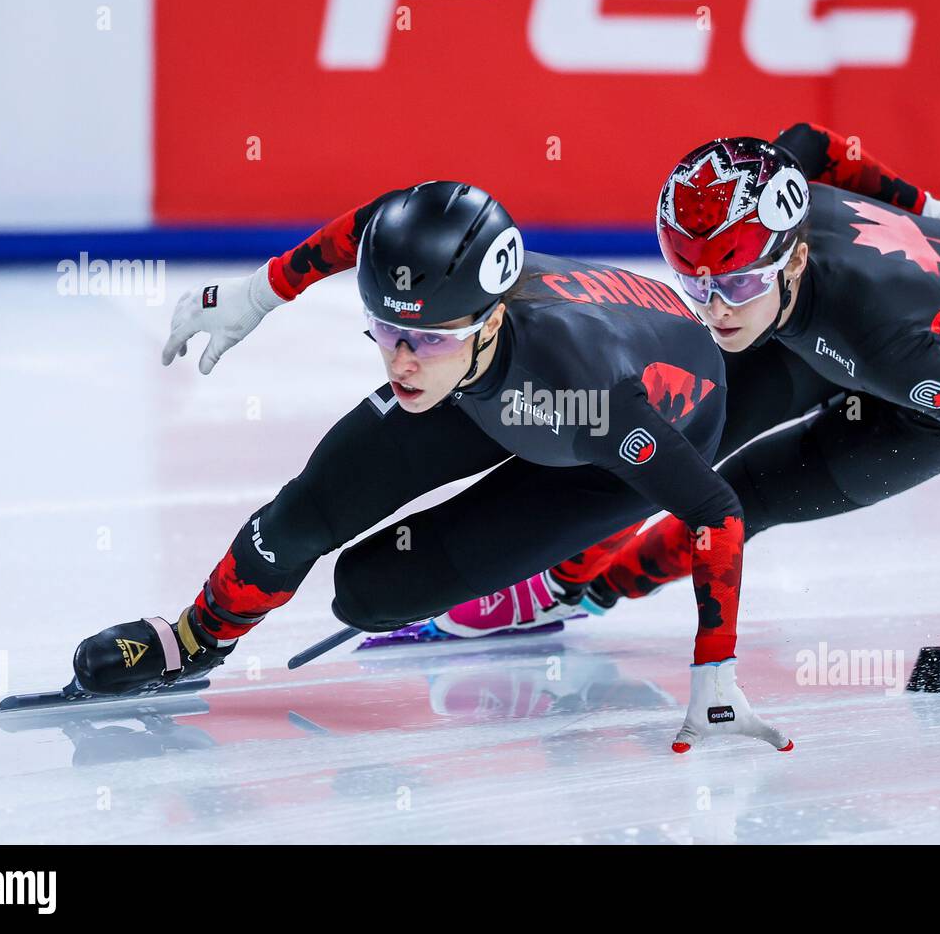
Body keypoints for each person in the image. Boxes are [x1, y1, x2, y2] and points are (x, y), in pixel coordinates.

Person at [384, 124, 940, 698]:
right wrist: (934, 207)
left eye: (735, 286)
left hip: (932, 385)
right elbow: (815, 143)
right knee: (682, 422)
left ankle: (586, 594)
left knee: (742, 500)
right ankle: (553, 574)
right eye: (696, 283)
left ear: (796, 256)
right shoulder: (759, 218)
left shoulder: (886, 344)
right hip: (811, 319)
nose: (714, 309)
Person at [68, 180, 794, 752]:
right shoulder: (430, 304)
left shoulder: (592, 391)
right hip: (486, 386)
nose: (402, 362)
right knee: (306, 512)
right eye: (386, 330)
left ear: (491, 318)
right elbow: (366, 228)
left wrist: (714, 672)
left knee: (370, 591)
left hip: (615, 433)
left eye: (428, 340)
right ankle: (196, 639)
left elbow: (717, 511)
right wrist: (254, 298)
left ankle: (559, 582)